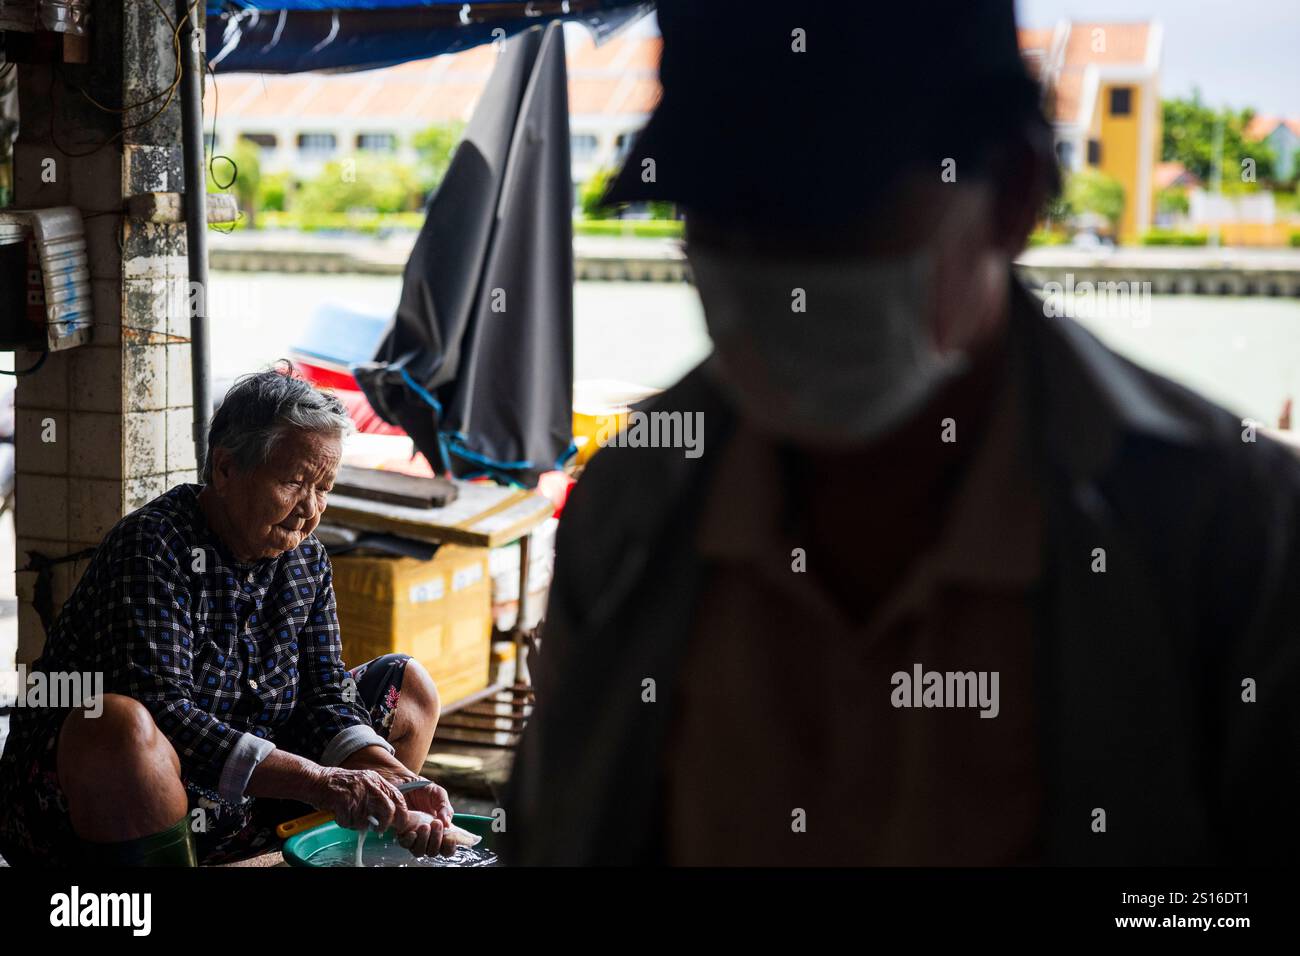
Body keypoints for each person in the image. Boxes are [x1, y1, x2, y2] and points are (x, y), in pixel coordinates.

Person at [504, 1, 1300, 864]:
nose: (768, 267)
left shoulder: (1231, 534)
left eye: (826, 213)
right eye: (721, 212)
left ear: (1018, 194)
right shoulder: (632, 502)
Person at [0, 366, 456, 865]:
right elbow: (167, 713)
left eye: (323, 487)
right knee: (118, 724)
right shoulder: (154, 548)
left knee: (407, 685)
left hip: (246, 789)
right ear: (224, 469)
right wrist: (323, 782)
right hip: (112, 802)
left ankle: (334, 850)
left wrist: (388, 780)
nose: (309, 508)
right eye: (294, 481)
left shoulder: (305, 559)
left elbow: (326, 693)